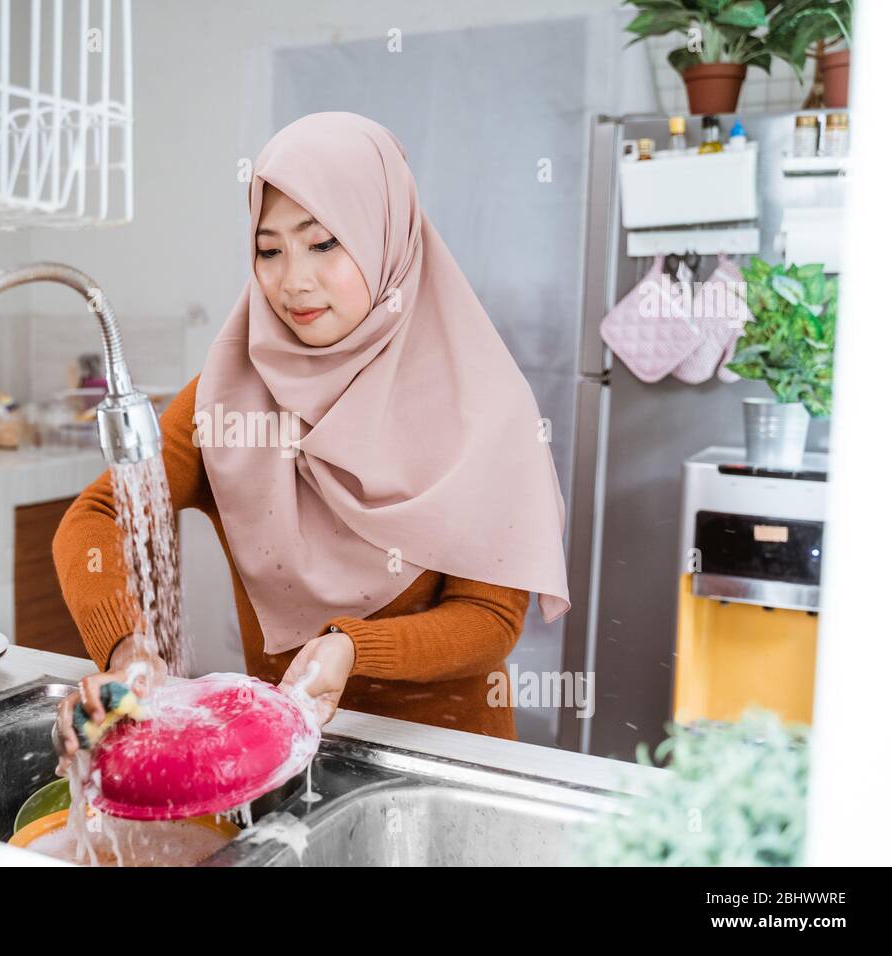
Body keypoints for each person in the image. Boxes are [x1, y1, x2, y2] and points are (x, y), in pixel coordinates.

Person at [51, 111, 570, 769]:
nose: (292, 280)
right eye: (269, 250)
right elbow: (98, 517)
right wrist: (128, 649)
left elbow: (489, 620)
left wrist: (352, 649)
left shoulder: (486, 405)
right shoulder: (232, 390)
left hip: (444, 762)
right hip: (286, 759)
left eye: (322, 243)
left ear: (387, 239)